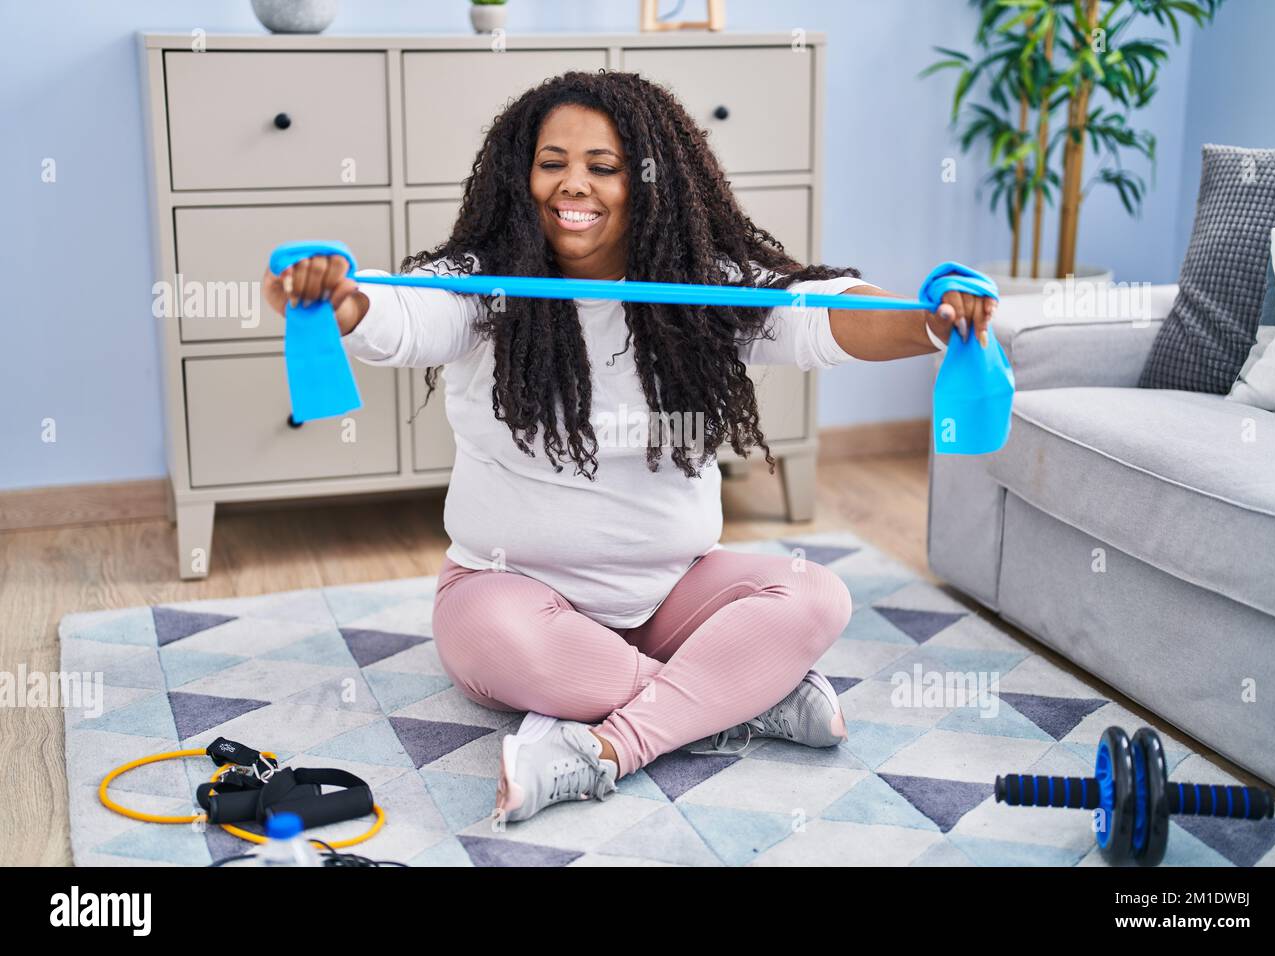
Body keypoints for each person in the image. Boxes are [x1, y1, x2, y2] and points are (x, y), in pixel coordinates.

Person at [262, 70, 995, 824]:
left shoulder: (707, 287)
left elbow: (822, 311)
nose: (571, 186)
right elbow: (403, 315)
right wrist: (339, 299)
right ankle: (741, 696)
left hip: (670, 595)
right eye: (551, 164)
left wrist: (932, 321)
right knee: (494, 636)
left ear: (650, 183)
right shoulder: (479, 282)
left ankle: (607, 749)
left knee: (816, 595)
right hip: (510, 593)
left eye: (602, 168)